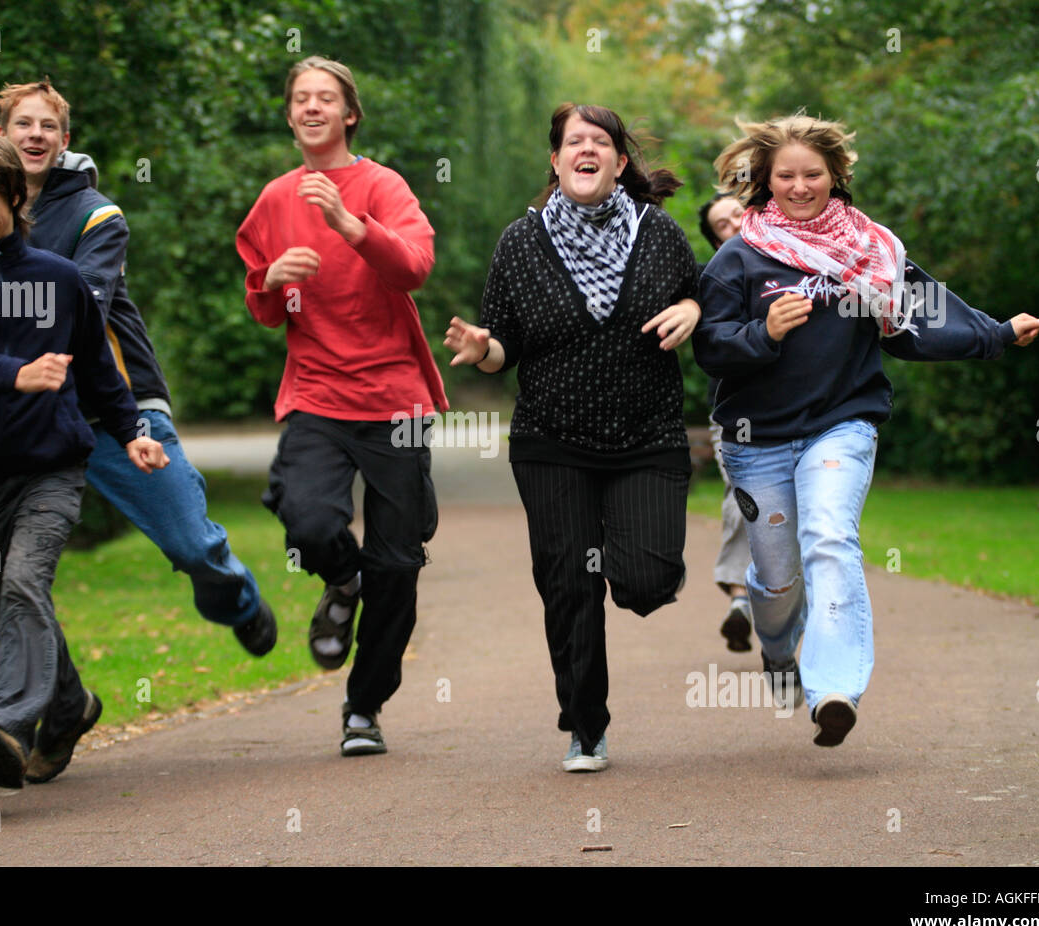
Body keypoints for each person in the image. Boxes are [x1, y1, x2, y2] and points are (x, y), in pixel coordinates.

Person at [0, 79, 274, 782]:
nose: (35, 134)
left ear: (65, 141)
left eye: (48, 126)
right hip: (22, 429)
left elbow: (76, 320)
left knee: (191, 543)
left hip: (113, 413)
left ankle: (237, 597)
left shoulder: (98, 216)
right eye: (20, 124)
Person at [693, 114, 1039, 746]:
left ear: (836, 176)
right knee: (776, 580)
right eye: (786, 176)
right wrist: (763, 334)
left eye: (813, 174)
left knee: (829, 537)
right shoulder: (739, 258)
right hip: (757, 440)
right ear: (766, 181)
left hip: (842, 425)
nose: (800, 187)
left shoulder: (871, 251)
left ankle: (833, 690)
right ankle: (778, 648)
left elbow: (919, 319)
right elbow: (712, 350)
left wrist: (996, 334)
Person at [0, 126, 170, 787]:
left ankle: (10, 725)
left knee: (26, 583)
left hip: (53, 465)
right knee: (10, 606)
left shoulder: (60, 280)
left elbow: (102, 376)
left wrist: (133, 428)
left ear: (13, 200)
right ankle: (68, 705)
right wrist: (14, 373)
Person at [445, 103, 700, 772]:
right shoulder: (521, 243)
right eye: (572, 142)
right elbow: (505, 342)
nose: (585, 149)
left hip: (646, 436)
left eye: (600, 142)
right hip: (551, 441)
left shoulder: (659, 233)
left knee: (645, 581)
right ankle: (585, 726)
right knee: (569, 583)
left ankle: (640, 572)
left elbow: (706, 293)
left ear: (619, 162)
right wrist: (485, 347)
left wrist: (693, 308)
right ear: (556, 162)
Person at [235, 56, 446, 757]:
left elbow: (415, 265)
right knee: (308, 515)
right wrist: (271, 278)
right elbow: (264, 308)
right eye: (302, 99)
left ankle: (364, 706)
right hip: (318, 393)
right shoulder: (273, 199)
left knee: (399, 564)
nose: (314, 107)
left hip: (391, 397)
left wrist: (354, 228)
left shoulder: (382, 185)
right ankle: (340, 575)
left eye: (327, 98)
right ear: (290, 115)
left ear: (349, 114)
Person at [697, 193, 754, 651]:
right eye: (721, 224)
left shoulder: (800, 258)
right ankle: (739, 598)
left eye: (737, 212)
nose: (732, 224)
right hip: (735, 410)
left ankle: (779, 605)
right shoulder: (714, 280)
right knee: (744, 495)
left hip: (804, 411)